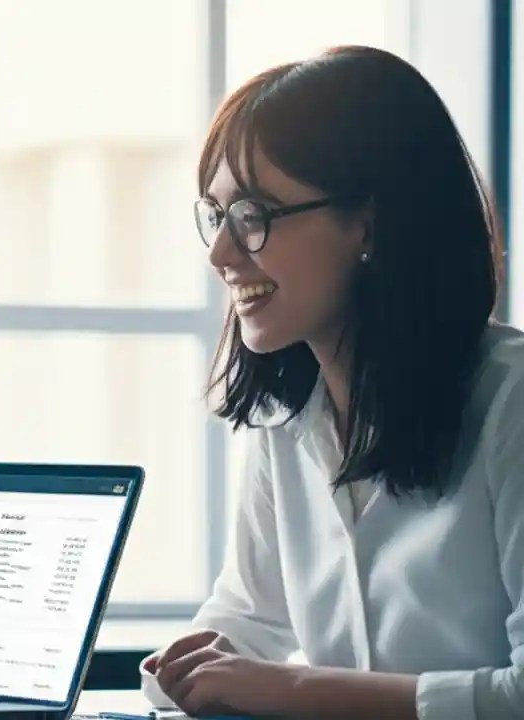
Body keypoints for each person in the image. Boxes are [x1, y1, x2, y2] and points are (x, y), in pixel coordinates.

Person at [141, 45, 523, 719]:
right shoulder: (289, 425)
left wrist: (293, 689)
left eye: (254, 216)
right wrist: (181, 668)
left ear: (369, 224)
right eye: (216, 215)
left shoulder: (510, 402)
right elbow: (248, 619)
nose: (222, 254)